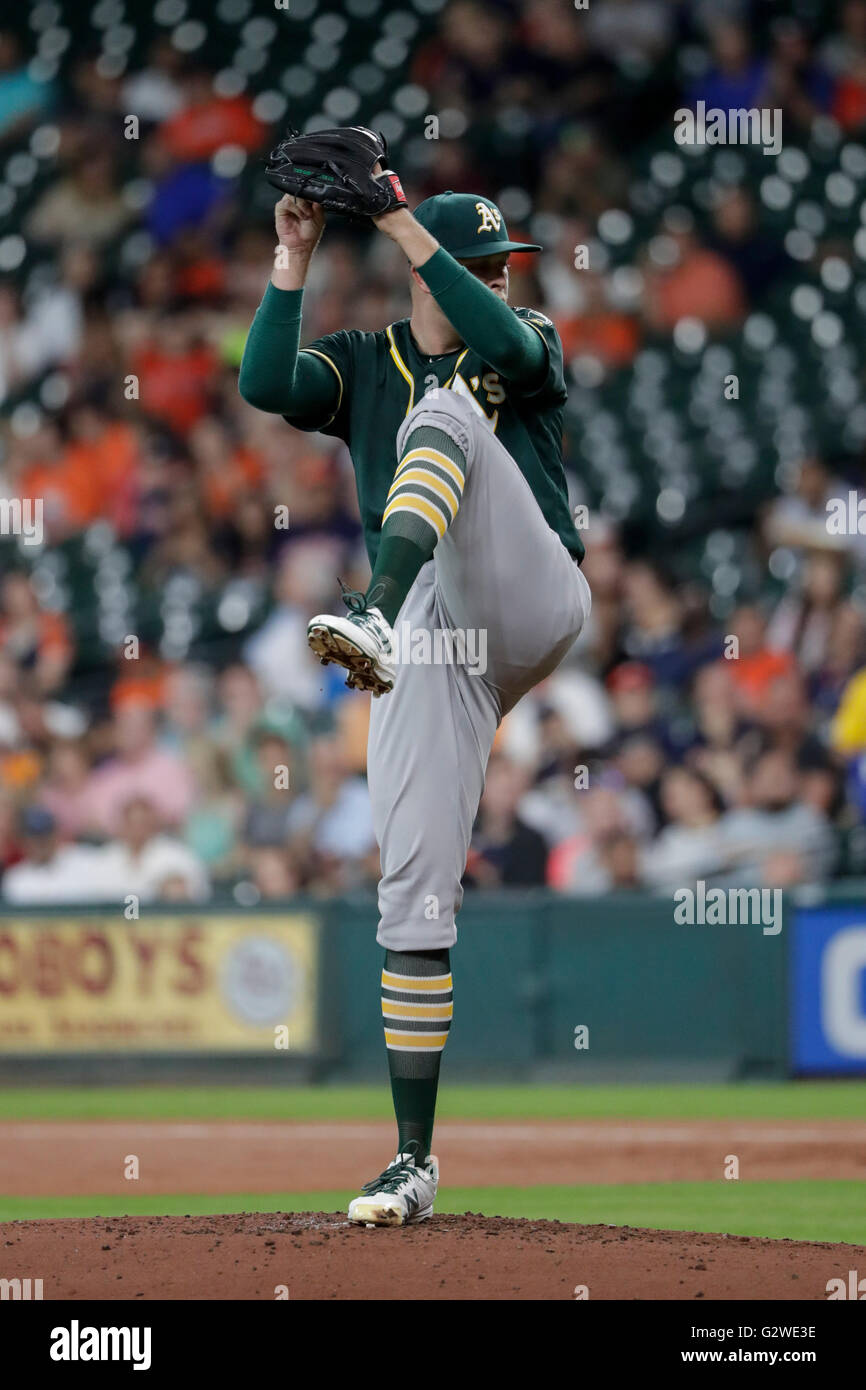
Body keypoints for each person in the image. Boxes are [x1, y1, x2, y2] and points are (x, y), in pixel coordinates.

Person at [240, 179, 590, 1225]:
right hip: (433, 642)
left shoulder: (521, 334)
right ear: (414, 275)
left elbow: (506, 349)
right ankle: (412, 1158)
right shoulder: (363, 359)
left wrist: (397, 220)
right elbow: (265, 383)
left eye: (500, 262)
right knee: (413, 891)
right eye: (479, 262)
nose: (497, 276)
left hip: (523, 595)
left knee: (443, 409)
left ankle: (376, 610)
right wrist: (292, 258)